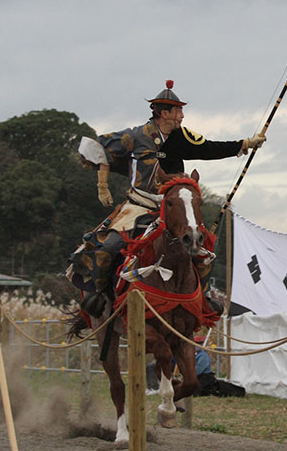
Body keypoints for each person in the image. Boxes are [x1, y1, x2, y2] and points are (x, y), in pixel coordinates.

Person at [69, 80, 265, 317]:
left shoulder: (181, 137)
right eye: (178, 111)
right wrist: (102, 186)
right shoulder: (135, 135)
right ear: (164, 113)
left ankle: (202, 297)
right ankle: (100, 295)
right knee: (110, 246)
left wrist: (244, 144)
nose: (182, 116)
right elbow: (97, 148)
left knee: (201, 245)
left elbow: (208, 148)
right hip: (139, 205)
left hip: (172, 206)